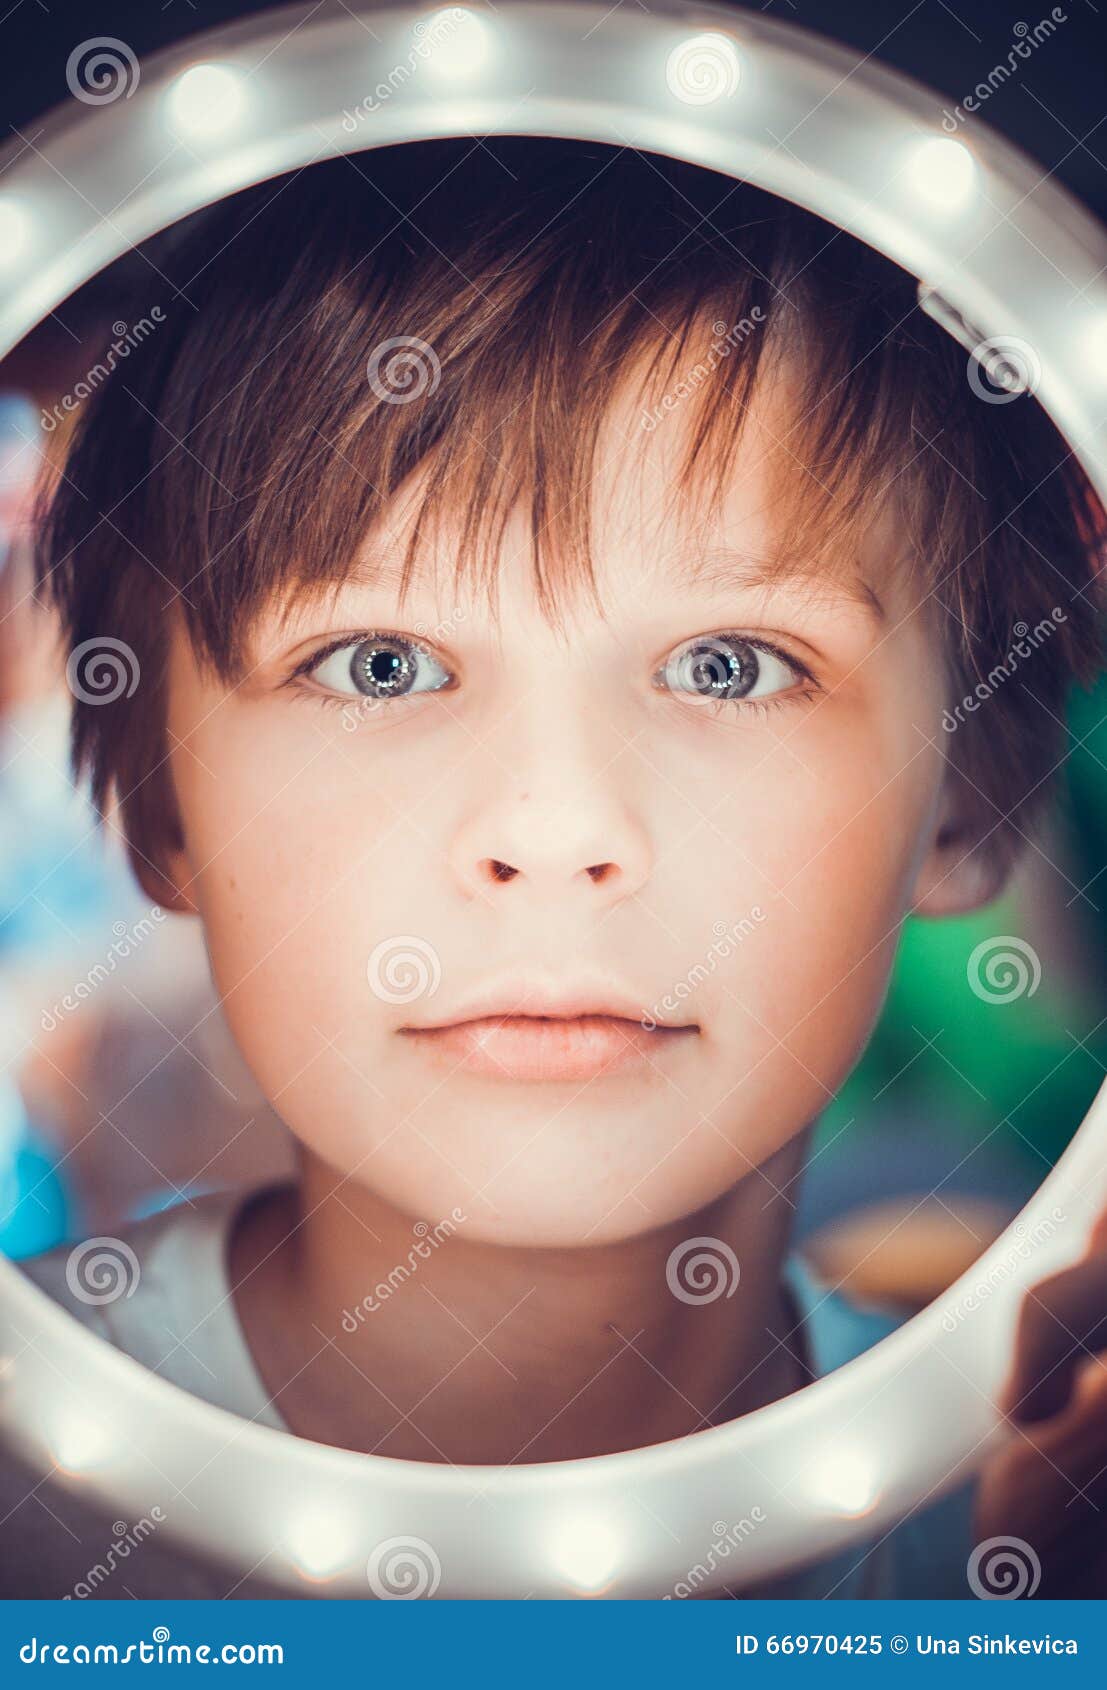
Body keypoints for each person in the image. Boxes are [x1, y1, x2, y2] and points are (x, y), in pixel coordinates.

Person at [7, 137, 1107, 1599]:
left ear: (971, 791)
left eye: (729, 664)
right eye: (380, 663)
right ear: (160, 803)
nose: (553, 825)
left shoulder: (1017, 1541)